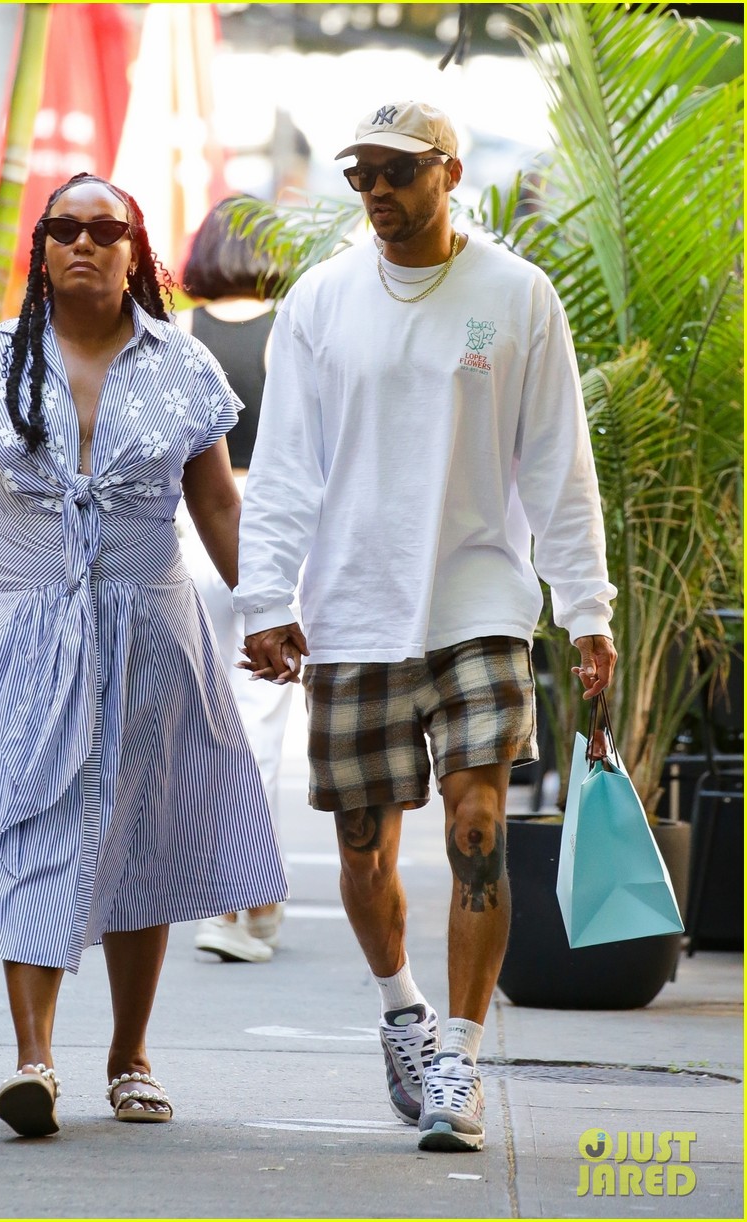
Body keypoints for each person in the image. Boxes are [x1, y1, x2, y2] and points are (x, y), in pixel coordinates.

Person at [0, 172, 288, 1136]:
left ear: (136, 253)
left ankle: (130, 1058)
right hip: (22, 632)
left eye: (106, 230)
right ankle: (33, 1061)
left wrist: (263, 610)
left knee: (141, 839)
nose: (85, 243)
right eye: (66, 229)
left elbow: (216, 503)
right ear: (41, 250)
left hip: (150, 632)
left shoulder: (182, 365)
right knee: (34, 829)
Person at [234, 101, 617, 1153]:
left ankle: (460, 1053)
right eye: (361, 175)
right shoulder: (319, 302)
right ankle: (402, 1008)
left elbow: (558, 465)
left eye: (397, 172)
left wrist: (585, 607)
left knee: (478, 830)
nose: (377, 193)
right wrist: (266, 598)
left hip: (481, 603)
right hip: (354, 609)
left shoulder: (515, 295)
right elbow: (284, 470)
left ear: (448, 171)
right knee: (365, 849)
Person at [177, 198, 291, 964]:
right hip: (266, 535)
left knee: (197, 714)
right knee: (261, 713)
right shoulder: (291, 334)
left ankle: (233, 895)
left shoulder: (180, 337)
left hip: (184, 535)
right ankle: (246, 899)